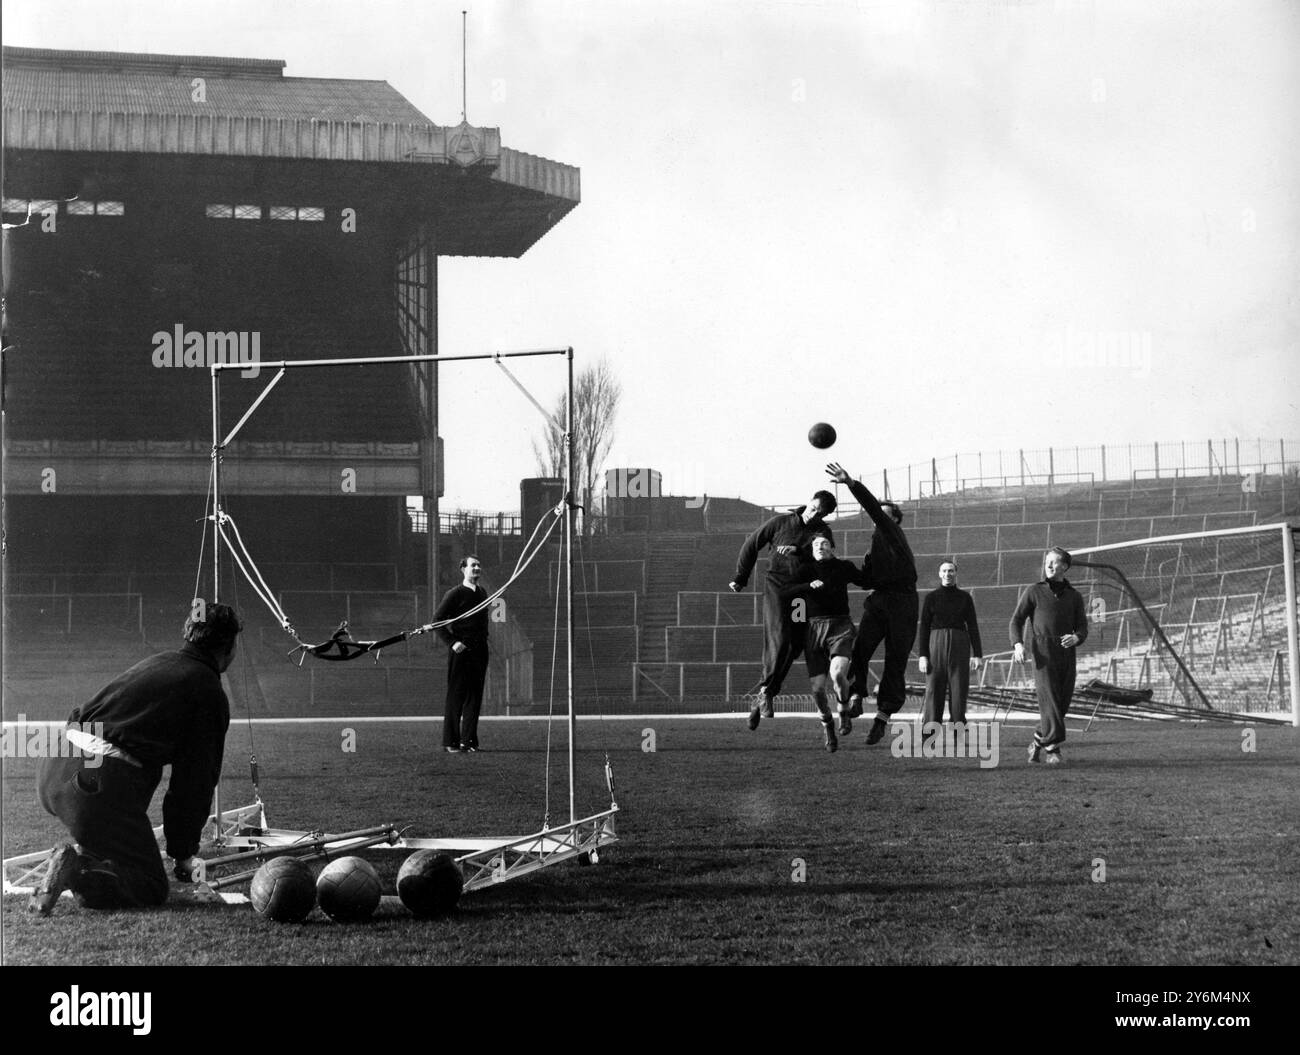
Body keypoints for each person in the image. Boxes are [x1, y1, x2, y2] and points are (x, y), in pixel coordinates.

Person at [31, 603, 242, 915]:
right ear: (229, 646)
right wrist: (183, 854)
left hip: (56, 768)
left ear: (189, 633)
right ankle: (78, 869)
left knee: (112, 841)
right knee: (150, 884)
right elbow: (193, 784)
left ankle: (87, 855)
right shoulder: (207, 691)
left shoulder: (160, 662)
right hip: (94, 784)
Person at [824, 463, 918, 744]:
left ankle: (883, 717)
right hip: (879, 600)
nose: (880, 517)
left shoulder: (894, 535)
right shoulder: (872, 551)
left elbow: (873, 508)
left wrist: (851, 483)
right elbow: (864, 580)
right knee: (860, 649)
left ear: (895, 521)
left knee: (895, 660)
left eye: (886, 514)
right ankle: (856, 695)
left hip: (903, 602)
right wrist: (835, 566)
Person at [730, 490, 837, 729]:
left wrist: (800, 552)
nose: (813, 515)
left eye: (820, 513)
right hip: (778, 589)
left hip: (801, 592)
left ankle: (764, 696)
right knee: (780, 636)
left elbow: (826, 555)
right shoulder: (780, 523)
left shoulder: (822, 532)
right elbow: (751, 544)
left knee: (795, 643)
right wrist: (741, 577)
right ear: (809, 502)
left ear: (826, 515)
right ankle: (767, 691)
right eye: (813, 508)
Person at [778, 534, 872, 752]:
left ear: (832, 548)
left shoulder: (843, 567)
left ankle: (843, 711)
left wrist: (871, 561)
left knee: (838, 674)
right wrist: (808, 586)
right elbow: (785, 592)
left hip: (840, 626)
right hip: (814, 629)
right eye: (817, 544)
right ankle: (828, 725)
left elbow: (865, 581)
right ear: (811, 549)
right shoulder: (806, 570)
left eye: (825, 544)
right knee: (818, 690)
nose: (821, 547)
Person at [1009, 546, 1089, 764]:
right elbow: (1016, 620)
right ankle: (1053, 749)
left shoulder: (1074, 596)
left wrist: (1077, 638)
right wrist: (1018, 644)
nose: (1050, 565)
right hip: (1042, 653)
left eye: (1054, 562)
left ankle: (1037, 740)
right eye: (1047, 562)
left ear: (1065, 566)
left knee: (1061, 703)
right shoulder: (1033, 591)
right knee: (1051, 700)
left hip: (1066, 652)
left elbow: (1082, 626)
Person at [917, 559, 983, 730]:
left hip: (959, 645)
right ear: (940, 574)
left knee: (959, 689)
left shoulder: (965, 598)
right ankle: (930, 732)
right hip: (935, 645)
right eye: (944, 571)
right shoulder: (931, 598)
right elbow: (924, 626)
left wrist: (977, 654)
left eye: (951, 571)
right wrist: (923, 655)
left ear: (956, 574)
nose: (948, 574)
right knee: (933, 690)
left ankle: (957, 731)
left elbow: (973, 625)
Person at [435, 555, 490, 753]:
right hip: (461, 650)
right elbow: (437, 621)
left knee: (475, 697)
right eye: (472, 565)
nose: (476, 568)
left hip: (480, 651)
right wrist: (453, 642)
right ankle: (451, 742)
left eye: (478, 565)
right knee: (456, 696)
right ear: (463, 569)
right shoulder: (454, 594)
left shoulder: (483, 592)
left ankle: (468, 741)